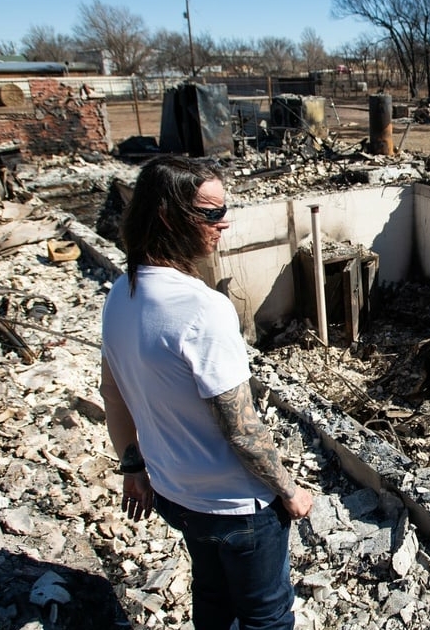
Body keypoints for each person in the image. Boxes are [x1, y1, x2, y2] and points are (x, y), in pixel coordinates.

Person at [99, 155, 313, 630]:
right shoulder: (203, 310)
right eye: (212, 213)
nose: (224, 224)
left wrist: (132, 465)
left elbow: (113, 394)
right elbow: (241, 429)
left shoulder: (120, 293)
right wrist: (290, 491)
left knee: (212, 598)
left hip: (177, 496)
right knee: (267, 616)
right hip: (238, 510)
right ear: (168, 218)